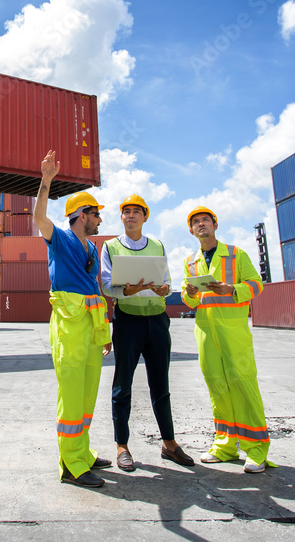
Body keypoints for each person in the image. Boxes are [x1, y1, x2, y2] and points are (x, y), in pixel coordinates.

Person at [33, 150, 112, 488]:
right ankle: (72, 465)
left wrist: (104, 333)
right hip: (69, 321)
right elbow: (39, 217)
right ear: (81, 215)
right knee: (72, 392)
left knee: (88, 392)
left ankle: (83, 451)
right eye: (95, 214)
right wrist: (46, 180)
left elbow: (94, 289)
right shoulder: (60, 239)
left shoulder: (92, 249)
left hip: (92, 324)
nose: (99, 220)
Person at [99, 194, 194, 472]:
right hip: (128, 321)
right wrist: (127, 291)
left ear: (145, 216)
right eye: (126, 211)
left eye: (136, 211)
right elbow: (106, 285)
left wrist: (165, 289)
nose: (130, 215)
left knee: (161, 386)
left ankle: (170, 444)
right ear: (122, 217)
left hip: (157, 320)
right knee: (122, 385)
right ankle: (122, 446)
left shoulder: (157, 244)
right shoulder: (111, 246)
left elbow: (166, 281)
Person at [182, 206, 271, 474]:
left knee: (243, 384)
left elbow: (256, 284)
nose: (201, 225)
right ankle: (225, 445)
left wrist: (233, 289)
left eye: (205, 220)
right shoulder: (190, 261)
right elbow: (189, 300)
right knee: (217, 386)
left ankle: (256, 450)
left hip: (233, 332)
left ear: (215, 225)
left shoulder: (235, 254)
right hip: (206, 333)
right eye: (195, 222)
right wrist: (189, 293)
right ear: (191, 230)